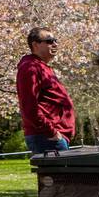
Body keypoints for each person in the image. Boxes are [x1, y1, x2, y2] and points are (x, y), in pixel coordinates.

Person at [17, 27, 76, 155]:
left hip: (52, 137)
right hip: (47, 138)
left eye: (55, 40)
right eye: (49, 41)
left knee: (64, 176)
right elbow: (29, 107)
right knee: (58, 176)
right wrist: (52, 132)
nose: (55, 44)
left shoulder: (41, 67)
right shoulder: (30, 67)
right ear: (35, 45)